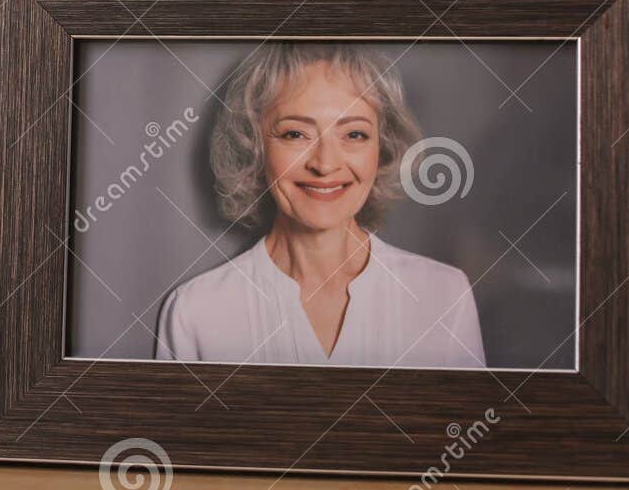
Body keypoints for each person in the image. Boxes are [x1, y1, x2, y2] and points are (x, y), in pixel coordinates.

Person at [156, 42, 485, 369]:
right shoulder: (196, 310)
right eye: (296, 134)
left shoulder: (444, 297)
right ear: (255, 148)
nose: (325, 164)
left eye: (354, 135)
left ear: (381, 148)